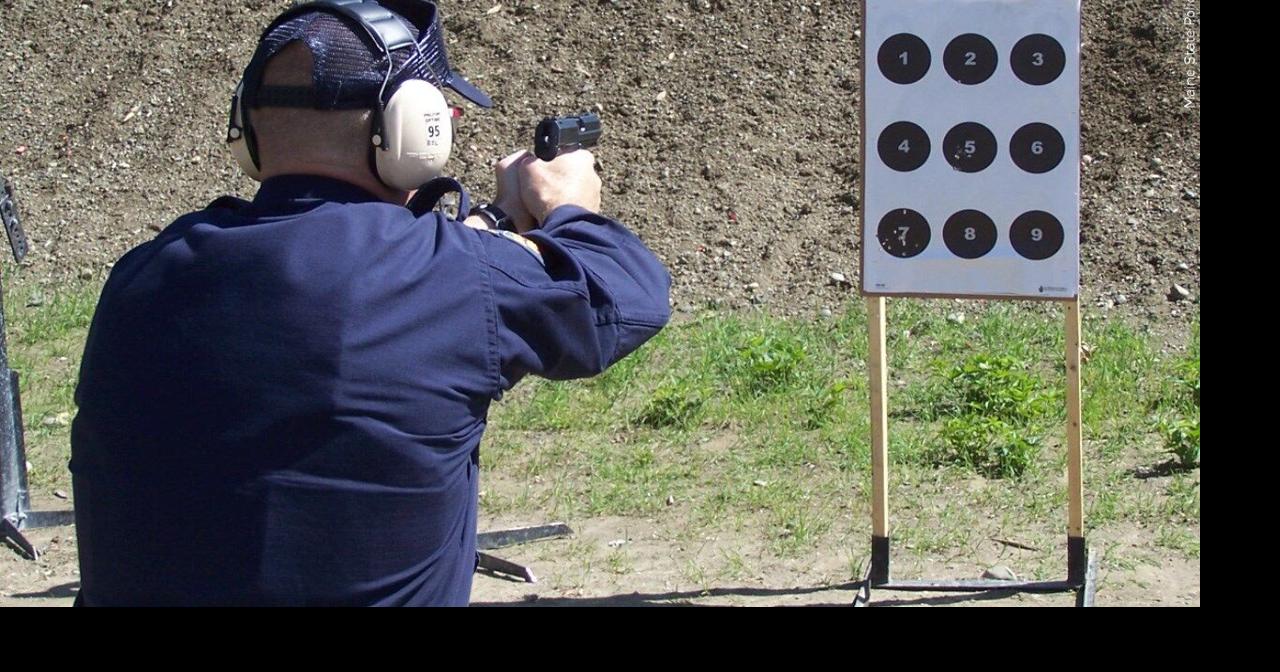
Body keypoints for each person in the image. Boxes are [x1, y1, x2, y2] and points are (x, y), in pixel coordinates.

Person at [70, 0, 670, 606]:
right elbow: (625, 298)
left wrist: (488, 232)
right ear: (416, 128)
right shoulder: (454, 278)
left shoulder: (140, 276)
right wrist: (569, 209)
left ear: (249, 129)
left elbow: (355, 281)